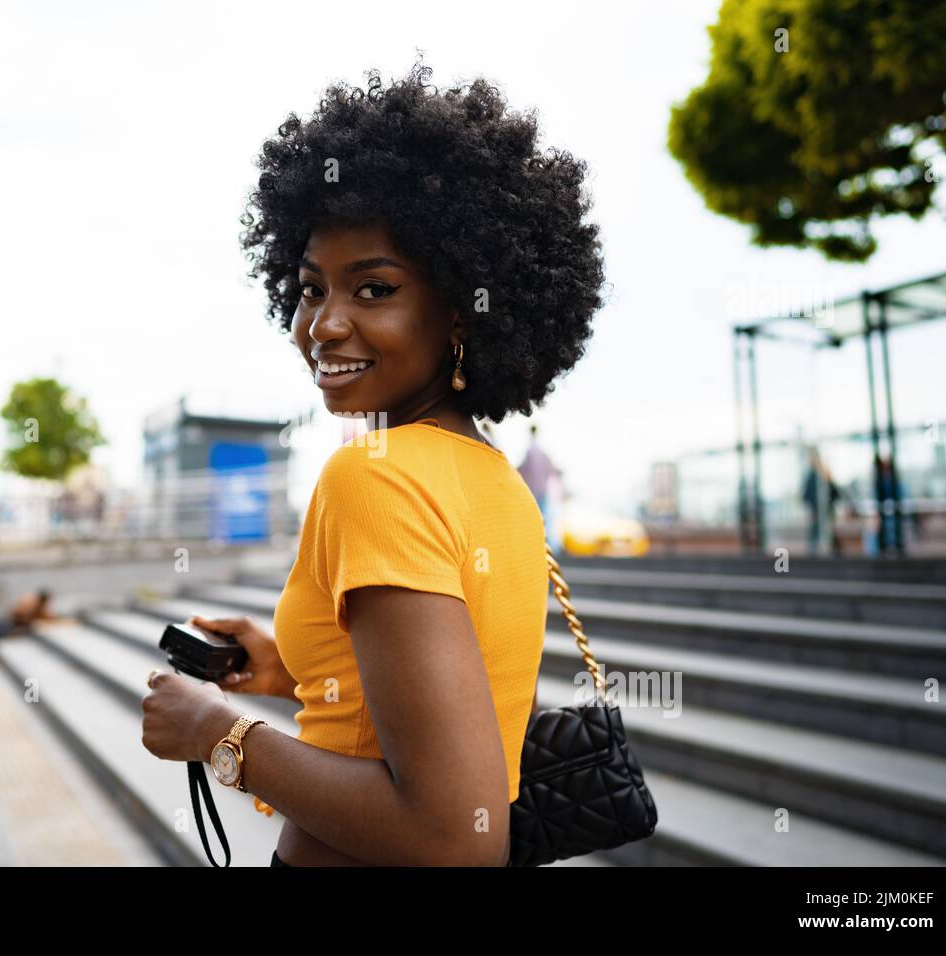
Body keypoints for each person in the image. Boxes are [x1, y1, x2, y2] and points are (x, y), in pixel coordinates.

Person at [140, 60, 605, 867]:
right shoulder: (495, 478)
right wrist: (294, 669)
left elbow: (451, 838)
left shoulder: (375, 474)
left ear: (461, 306)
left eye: (374, 289)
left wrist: (219, 734)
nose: (323, 324)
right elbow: (443, 703)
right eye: (311, 288)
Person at [517, 423, 563, 551]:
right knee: (543, 518)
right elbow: (552, 468)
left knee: (534, 519)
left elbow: (522, 469)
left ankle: (536, 545)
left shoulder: (529, 451)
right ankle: (546, 545)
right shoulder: (542, 451)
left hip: (532, 490)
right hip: (542, 490)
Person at [801, 447, 845, 556]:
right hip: (822, 511)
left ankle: (822, 555)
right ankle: (829, 554)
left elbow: (834, 493)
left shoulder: (817, 474)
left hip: (822, 512)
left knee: (819, 534)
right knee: (821, 533)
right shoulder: (823, 473)